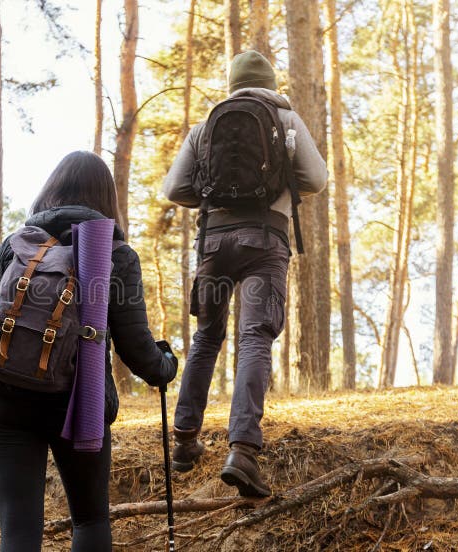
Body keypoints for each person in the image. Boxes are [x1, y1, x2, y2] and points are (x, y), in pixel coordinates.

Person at [0, 150, 178, 552]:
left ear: (51, 190)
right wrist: (165, 366)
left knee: (17, 530)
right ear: (106, 198)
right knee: (89, 519)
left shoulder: (16, 245)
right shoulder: (115, 256)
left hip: (5, 402)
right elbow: (136, 348)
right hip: (77, 402)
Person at [163, 50, 327, 497]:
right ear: (270, 82)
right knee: (254, 336)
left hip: (214, 243)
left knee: (207, 338)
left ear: (232, 83)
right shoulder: (285, 119)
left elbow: (173, 188)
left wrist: (214, 195)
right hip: (264, 241)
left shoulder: (207, 124)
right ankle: (242, 451)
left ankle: (183, 441)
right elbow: (316, 180)